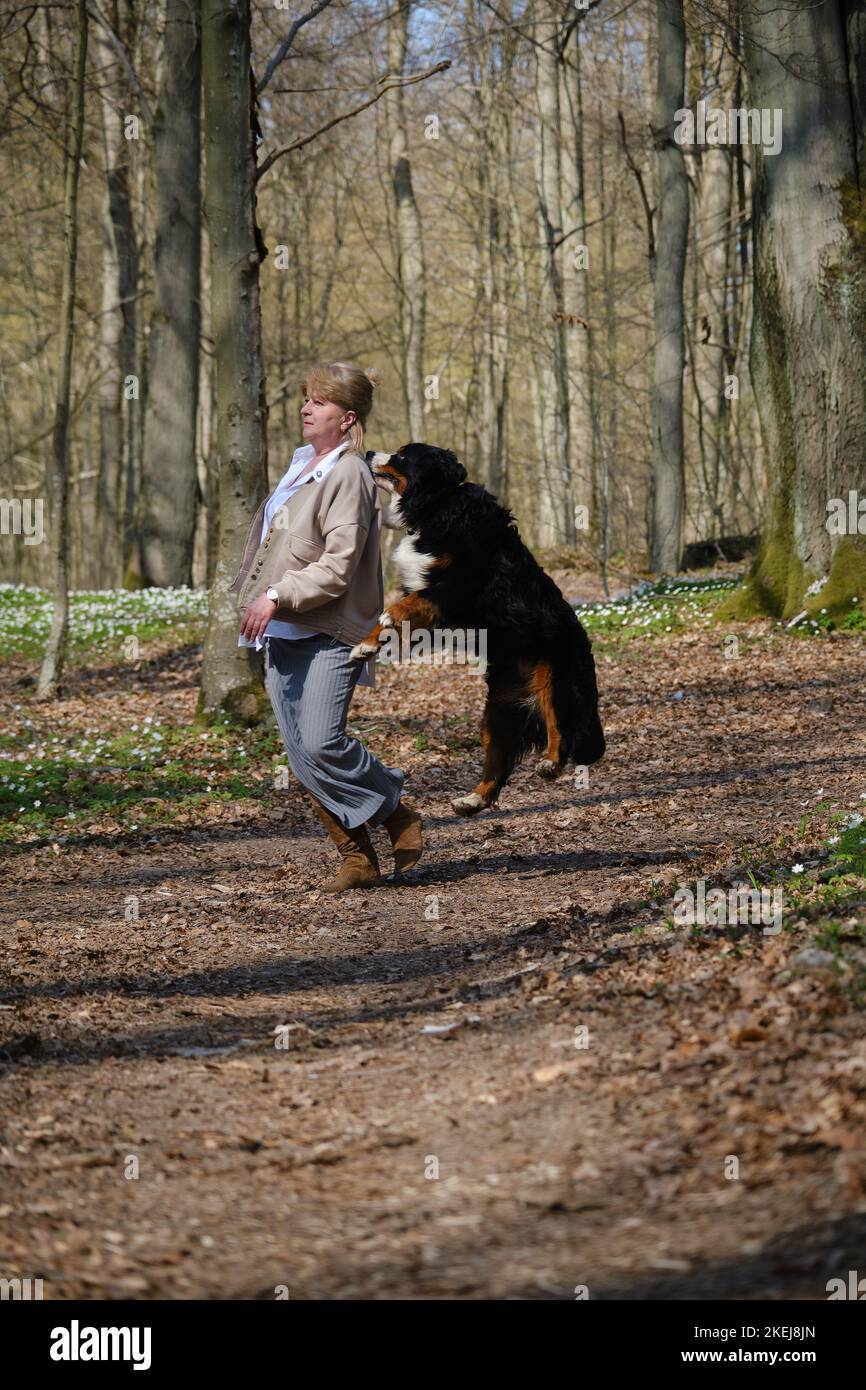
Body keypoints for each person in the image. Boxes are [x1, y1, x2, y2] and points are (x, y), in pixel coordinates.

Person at [231, 361, 422, 892]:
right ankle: (357, 858)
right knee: (301, 757)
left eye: (319, 402)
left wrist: (275, 594)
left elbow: (338, 566)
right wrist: (255, 598)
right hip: (283, 631)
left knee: (319, 744)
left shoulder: (349, 473)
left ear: (348, 418)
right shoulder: (301, 465)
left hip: (330, 631)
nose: (305, 408)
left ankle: (395, 811)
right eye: (306, 399)